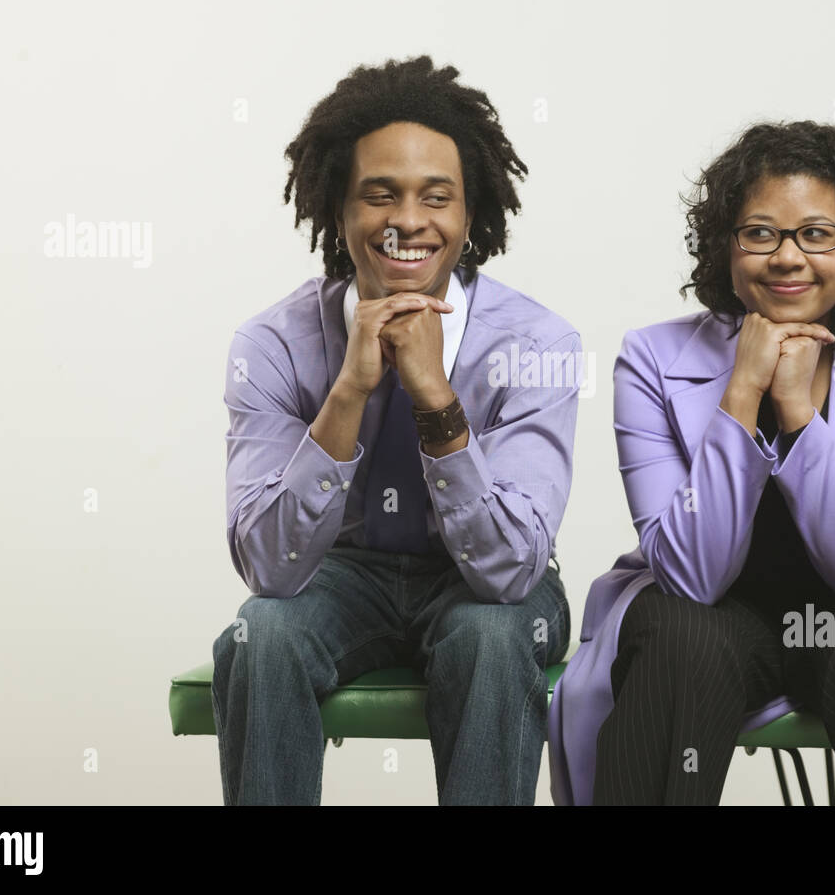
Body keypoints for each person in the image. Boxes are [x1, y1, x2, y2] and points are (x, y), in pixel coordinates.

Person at [548, 120, 835, 805]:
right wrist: (743, 393)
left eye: (817, 233)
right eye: (760, 232)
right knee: (677, 638)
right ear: (726, 245)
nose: (788, 256)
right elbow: (691, 574)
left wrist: (800, 414)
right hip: (715, 616)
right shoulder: (653, 359)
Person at [212, 56, 578, 805]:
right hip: (342, 575)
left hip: (483, 586)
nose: (408, 220)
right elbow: (272, 570)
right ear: (338, 212)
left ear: (468, 216)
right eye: (379, 195)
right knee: (263, 633)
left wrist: (434, 395)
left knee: (488, 635)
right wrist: (350, 388)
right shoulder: (272, 345)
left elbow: (509, 571)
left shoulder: (540, 346)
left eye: (435, 197)